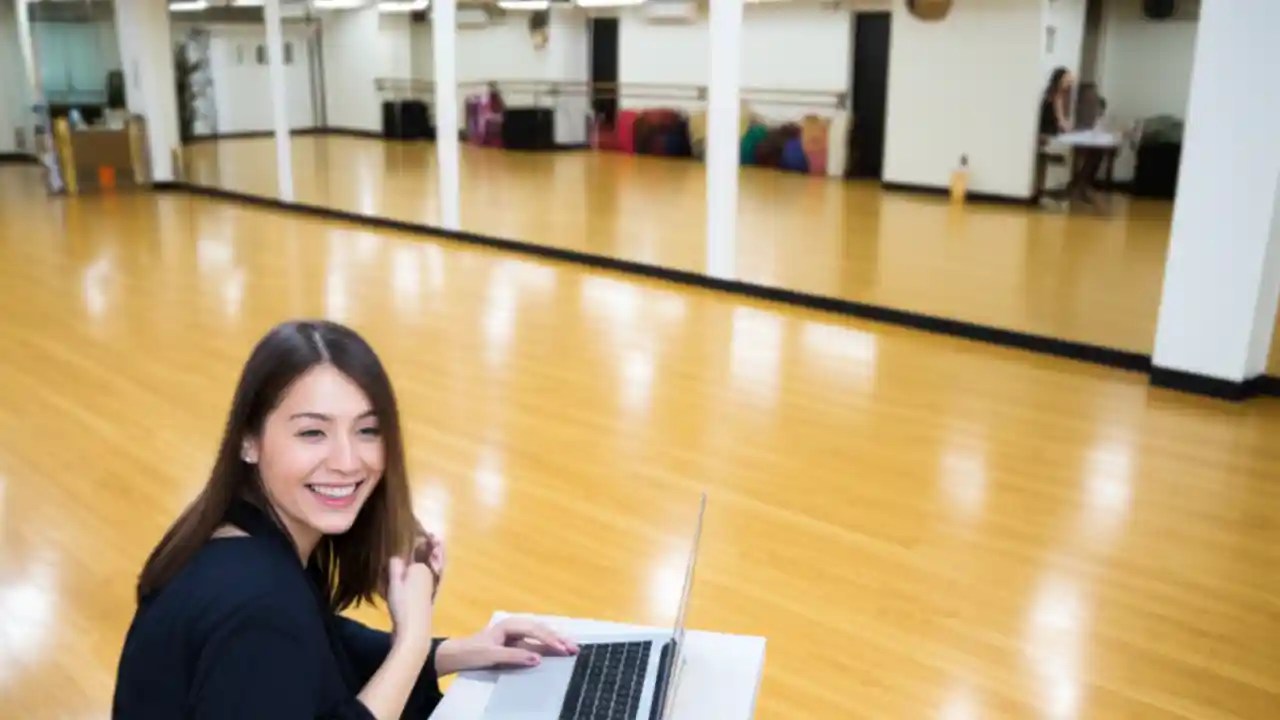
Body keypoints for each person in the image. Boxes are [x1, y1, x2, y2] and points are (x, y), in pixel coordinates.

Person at [113, 320, 578, 719]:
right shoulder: (256, 604)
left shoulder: (244, 536)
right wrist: (411, 639)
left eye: (367, 430)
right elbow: (283, 639)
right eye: (313, 432)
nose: (347, 460)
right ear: (248, 440)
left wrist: (459, 652)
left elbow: (322, 644)